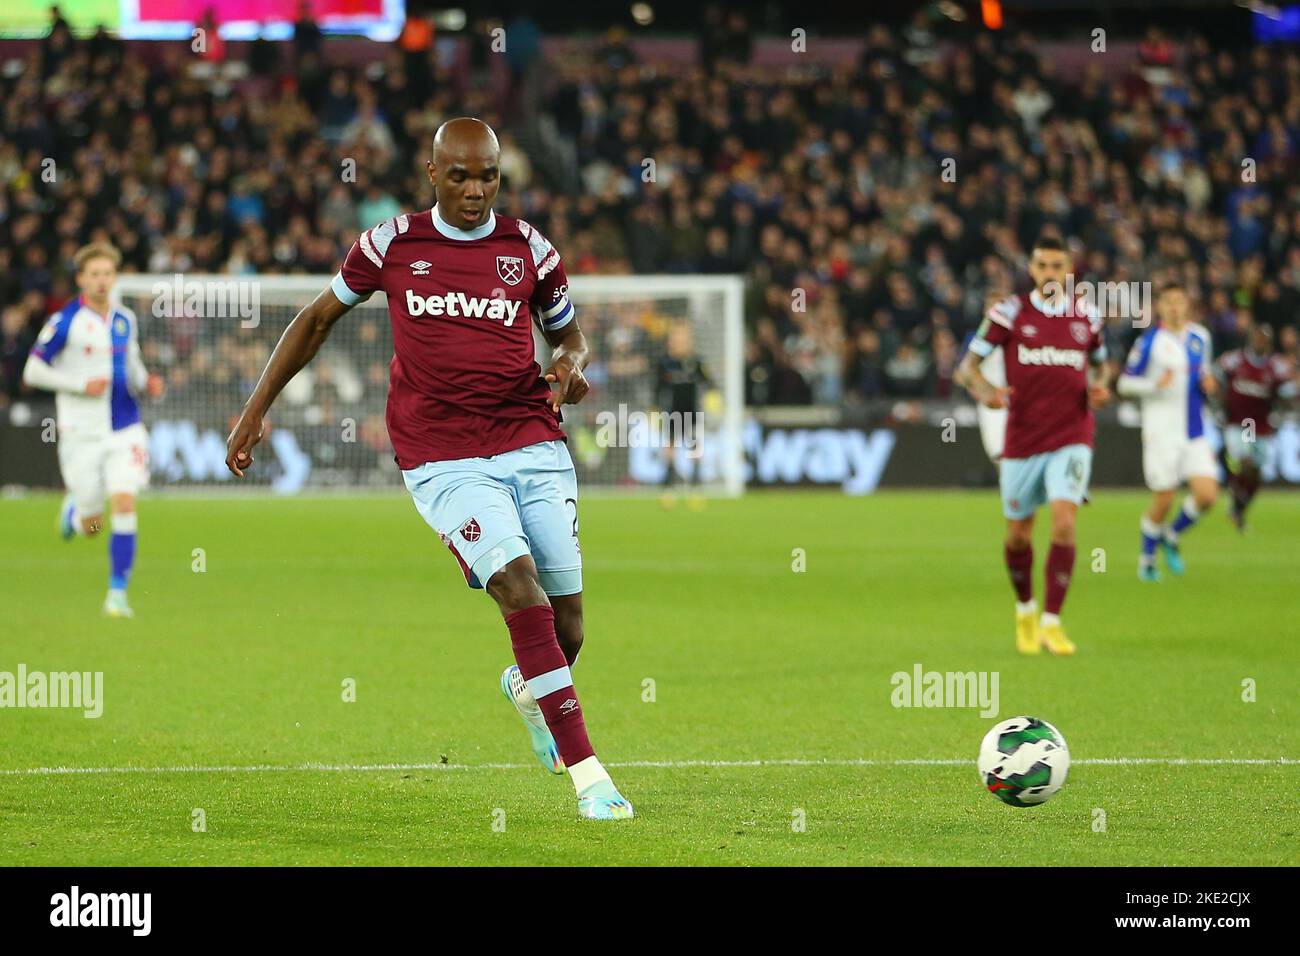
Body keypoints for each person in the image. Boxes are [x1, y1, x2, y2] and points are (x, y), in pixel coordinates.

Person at [225, 118, 633, 821]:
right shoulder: (391, 244)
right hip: (441, 452)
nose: (475, 191)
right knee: (516, 585)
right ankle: (591, 776)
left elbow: (571, 336)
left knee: (567, 632)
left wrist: (568, 365)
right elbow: (318, 318)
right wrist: (256, 407)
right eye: (460, 176)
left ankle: (530, 688)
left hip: (531, 439)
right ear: (431, 173)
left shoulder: (529, 250)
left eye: (488, 178)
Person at [954, 235, 1111, 655]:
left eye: (1057, 266)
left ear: (1069, 271)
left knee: (1063, 521)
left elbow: (1100, 367)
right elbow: (965, 368)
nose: (1049, 274)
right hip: (1023, 438)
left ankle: (1052, 622)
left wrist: (1100, 389)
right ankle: (1025, 608)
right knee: (1019, 534)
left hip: (1073, 434)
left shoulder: (1088, 317)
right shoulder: (1008, 314)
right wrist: (985, 390)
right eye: (1042, 266)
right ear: (1031, 269)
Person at [22, 243, 164, 617]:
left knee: (124, 501)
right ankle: (74, 515)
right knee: (92, 526)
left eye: (107, 274)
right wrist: (79, 385)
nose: (102, 281)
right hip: (82, 433)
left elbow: (131, 362)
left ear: (114, 278)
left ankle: (117, 595)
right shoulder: (65, 321)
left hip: (125, 428)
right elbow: (32, 371)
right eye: (94, 274)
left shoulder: (124, 320)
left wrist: (147, 380)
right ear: (81, 279)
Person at [1116, 282, 1219, 580]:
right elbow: (1124, 383)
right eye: (1169, 302)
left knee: (1207, 495)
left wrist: (1208, 384)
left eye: (1179, 301)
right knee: (1164, 500)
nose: (1174, 307)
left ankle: (1171, 536)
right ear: (1160, 306)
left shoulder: (1201, 337)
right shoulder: (1149, 342)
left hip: (1194, 430)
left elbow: (1204, 373)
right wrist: (1153, 385)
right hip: (1161, 431)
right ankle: (1147, 560)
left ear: (1188, 305)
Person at [1215, 320, 1298, 530]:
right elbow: (1215, 377)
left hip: (1259, 423)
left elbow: (1287, 392)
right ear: (1251, 339)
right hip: (1240, 422)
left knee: (1256, 473)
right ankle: (1235, 493)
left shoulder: (1276, 366)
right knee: (1246, 461)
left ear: (1269, 342)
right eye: (1257, 337)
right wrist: (1218, 403)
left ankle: (1238, 507)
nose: (1260, 342)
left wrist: (1287, 399)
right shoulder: (1235, 360)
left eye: (1264, 338)